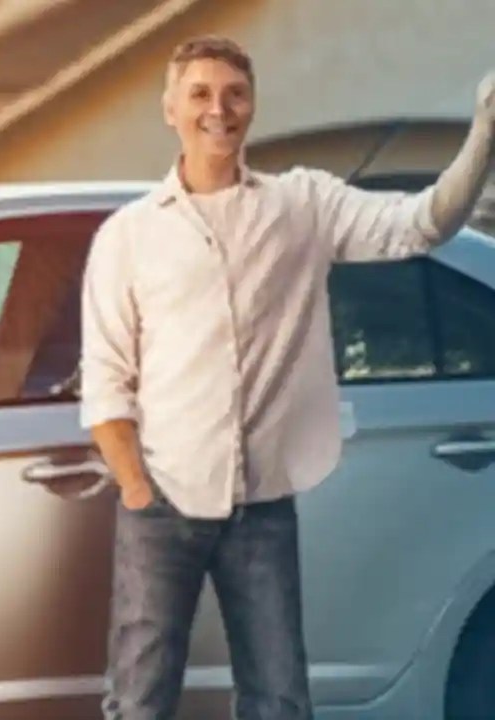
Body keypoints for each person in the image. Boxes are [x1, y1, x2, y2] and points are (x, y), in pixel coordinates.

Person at [78, 36, 495, 720]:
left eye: (235, 94)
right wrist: (135, 486)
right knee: (140, 701)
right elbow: (105, 375)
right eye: (201, 94)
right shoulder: (128, 236)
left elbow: (422, 225)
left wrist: (484, 129)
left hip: (261, 508)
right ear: (170, 109)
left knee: (279, 701)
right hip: (162, 501)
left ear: (252, 106)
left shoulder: (301, 206)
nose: (220, 109)